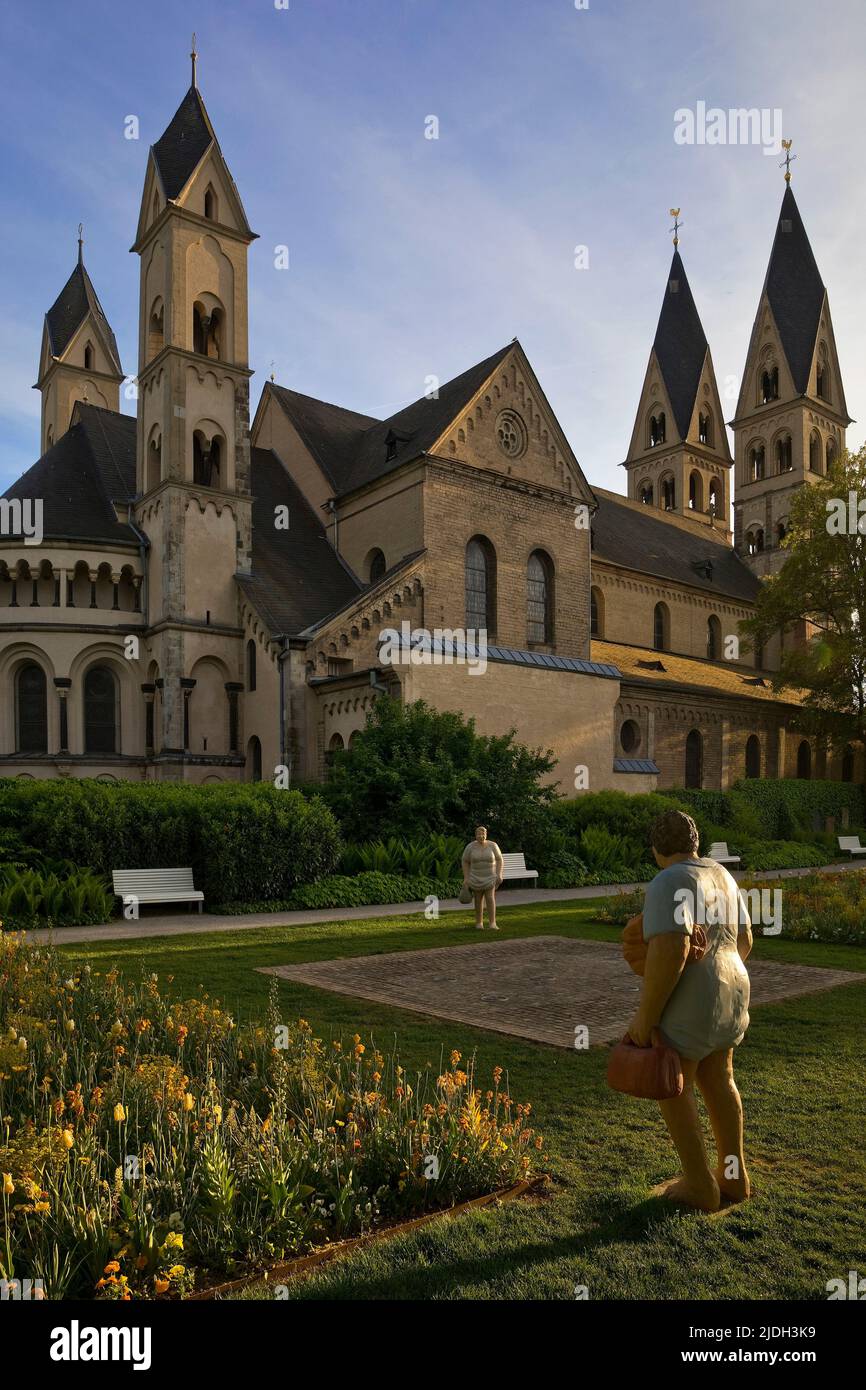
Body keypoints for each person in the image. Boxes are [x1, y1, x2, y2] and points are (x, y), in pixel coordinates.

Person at [623, 809, 752, 1212]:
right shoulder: (722, 875)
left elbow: (671, 948)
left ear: (657, 848)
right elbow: (745, 939)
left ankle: (699, 1185)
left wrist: (647, 1017)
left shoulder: (669, 880)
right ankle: (733, 1177)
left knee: (674, 1087)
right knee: (720, 1080)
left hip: (692, 998)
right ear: (695, 841)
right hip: (733, 988)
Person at [461, 826, 504, 930]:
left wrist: (499, 874)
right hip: (476, 877)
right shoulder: (470, 847)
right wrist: (466, 877)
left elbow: (499, 859)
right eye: (479, 834)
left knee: (490, 898)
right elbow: (465, 861)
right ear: (475, 835)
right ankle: (479, 923)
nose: (481, 836)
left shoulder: (493, 845)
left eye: (483, 834)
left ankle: (492, 923)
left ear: (486, 834)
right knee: (478, 899)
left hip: (490, 877)